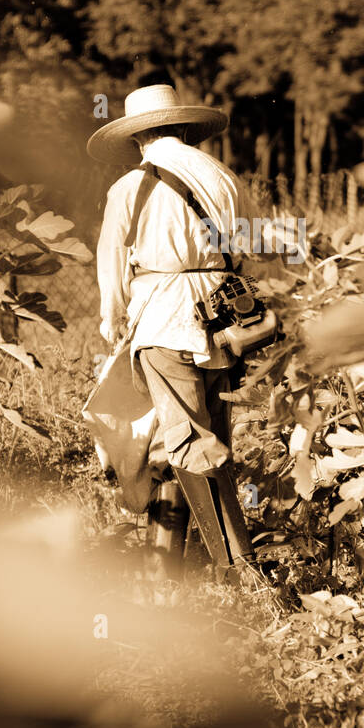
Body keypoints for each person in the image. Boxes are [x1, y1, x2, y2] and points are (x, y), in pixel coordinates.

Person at [86, 83, 260, 582]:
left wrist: (112, 315)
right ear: (185, 128)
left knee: (185, 439)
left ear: (138, 138)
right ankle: (165, 575)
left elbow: (111, 263)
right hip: (226, 318)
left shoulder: (129, 187)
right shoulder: (223, 176)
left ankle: (239, 571)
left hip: (164, 317)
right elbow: (253, 243)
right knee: (204, 438)